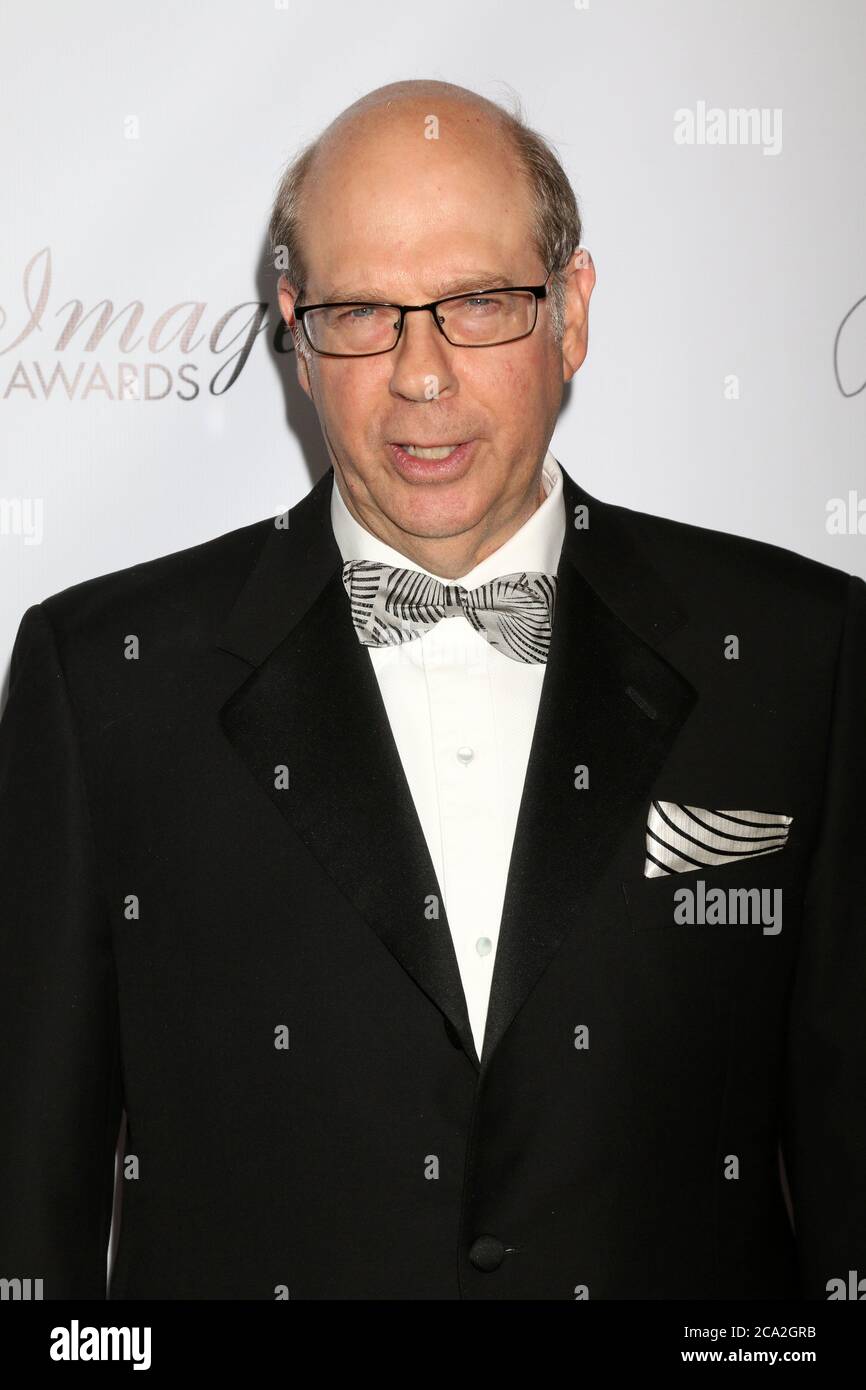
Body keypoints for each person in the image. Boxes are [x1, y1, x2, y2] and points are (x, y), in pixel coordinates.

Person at [0, 78, 863, 1301]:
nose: (419, 374)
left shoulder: (795, 655)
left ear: (570, 312)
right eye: (359, 312)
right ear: (294, 334)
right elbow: (29, 1210)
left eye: (477, 304)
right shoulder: (102, 681)